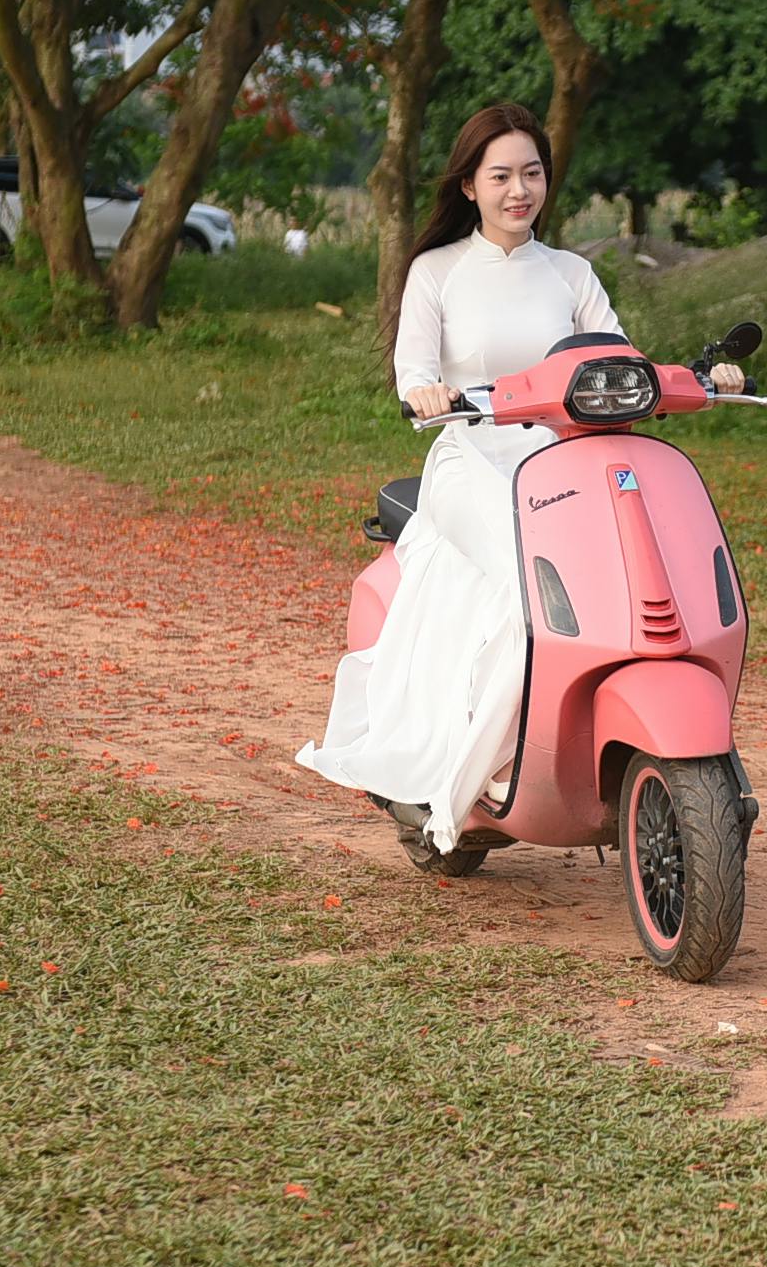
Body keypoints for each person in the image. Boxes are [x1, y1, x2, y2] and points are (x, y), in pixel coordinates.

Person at [297, 103, 740, 851]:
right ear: (469, 185)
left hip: (574, 453)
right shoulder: (435, 272)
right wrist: (427, 391)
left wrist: (702, 377)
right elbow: (414, 369)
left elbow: (618, 359)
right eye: (500, 175)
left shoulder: (572, 273)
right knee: (529, 581)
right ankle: (493, 759)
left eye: (531, 173)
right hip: (472, 453)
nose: (518, 190)